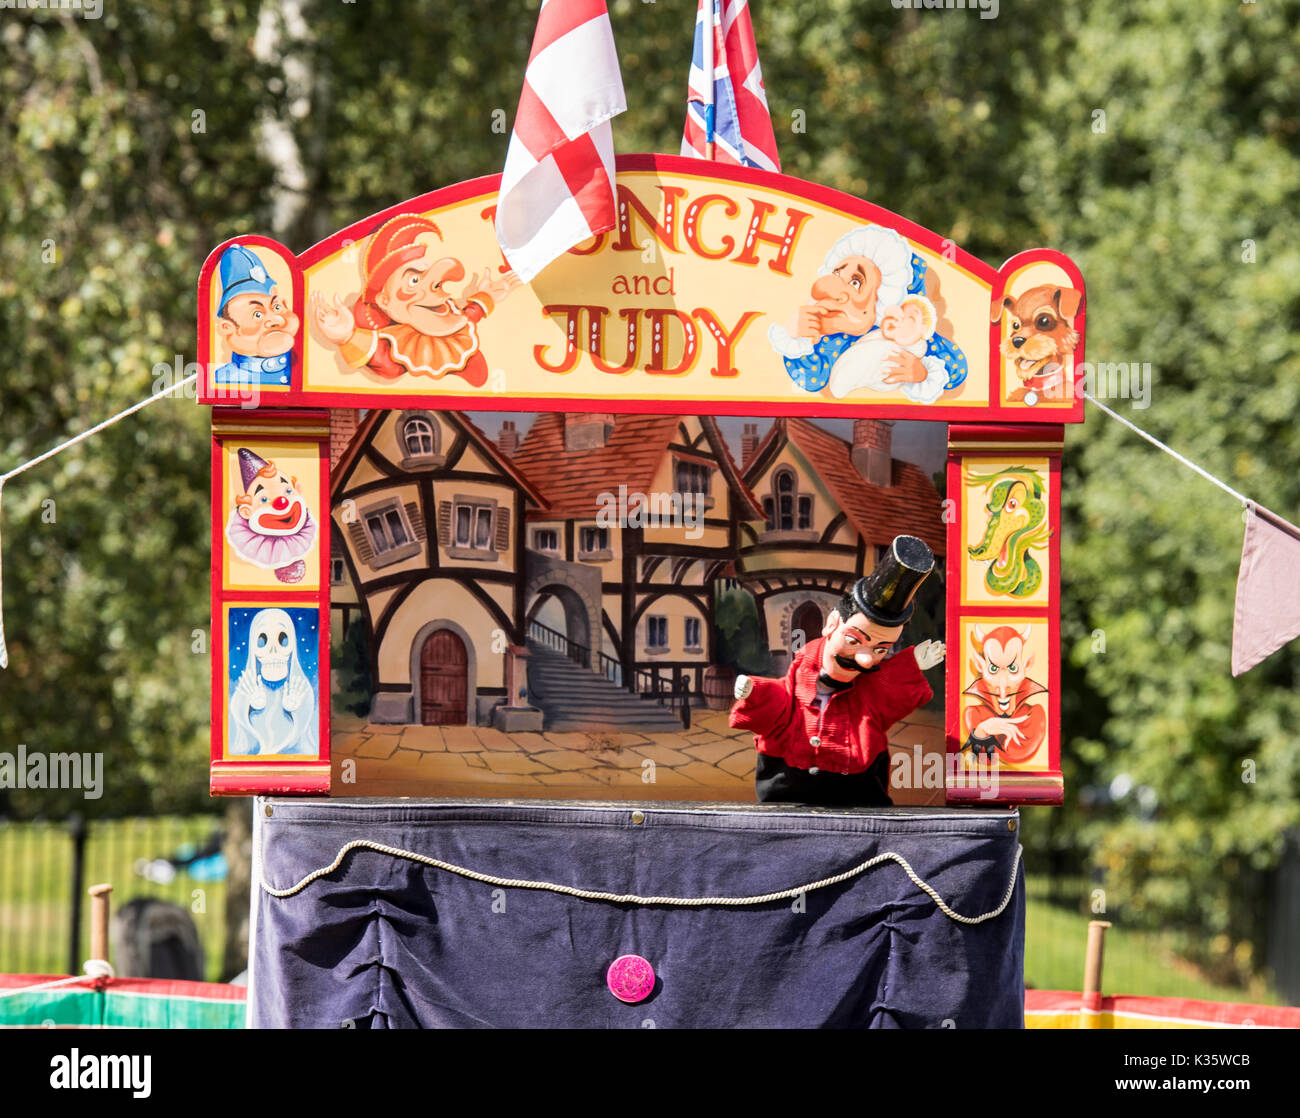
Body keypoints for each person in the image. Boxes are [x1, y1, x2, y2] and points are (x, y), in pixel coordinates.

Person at [730, 535, 945, 806]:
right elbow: (781, 699)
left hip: (856, 788)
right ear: (832, 624)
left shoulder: (869, 689)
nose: (866, 661)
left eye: (881, 649)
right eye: (854, 641)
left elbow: (886, 688)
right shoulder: (800, 675)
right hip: (790, 784)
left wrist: (912, 662)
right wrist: (754, 691)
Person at [767, 224, 968, 399]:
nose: (836, 290)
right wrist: (796, 335)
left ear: (883, 299)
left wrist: (921, 373)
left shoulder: (905, 333)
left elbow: (957, 366)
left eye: (855, 282)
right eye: (837, 272)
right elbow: (810, 380)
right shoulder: (831, 339)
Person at [213, 244, 300, 387]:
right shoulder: (225, 380)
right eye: (257, 314)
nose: (276, 320)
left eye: (276, 307)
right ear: (227, 327)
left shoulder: (306, 370)